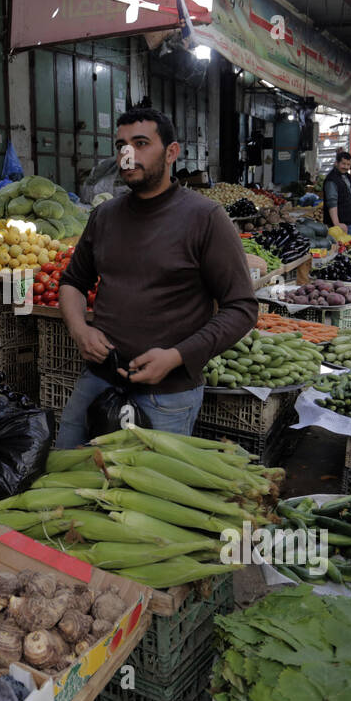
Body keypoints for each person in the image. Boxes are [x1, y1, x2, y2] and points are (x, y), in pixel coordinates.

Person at [54, 108, 258, 448]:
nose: (128, 154)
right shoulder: (104, 216)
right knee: (64, 475)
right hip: (98, 381)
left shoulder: (205, 218)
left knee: (139, 500)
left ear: (172, 153)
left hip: (167, 397)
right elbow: (73, 282)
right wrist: (80, 330)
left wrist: (177, 356)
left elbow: (241, 308)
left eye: (141, 143)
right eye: (121, 145)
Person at [323, 152, 351, 237]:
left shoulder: (346, 176)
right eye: (343, 164)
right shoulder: (332, 180)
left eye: (348, 164)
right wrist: (337, 223)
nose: (346, 167)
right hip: (343, 224)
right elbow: (331, 202)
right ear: (336, 163)